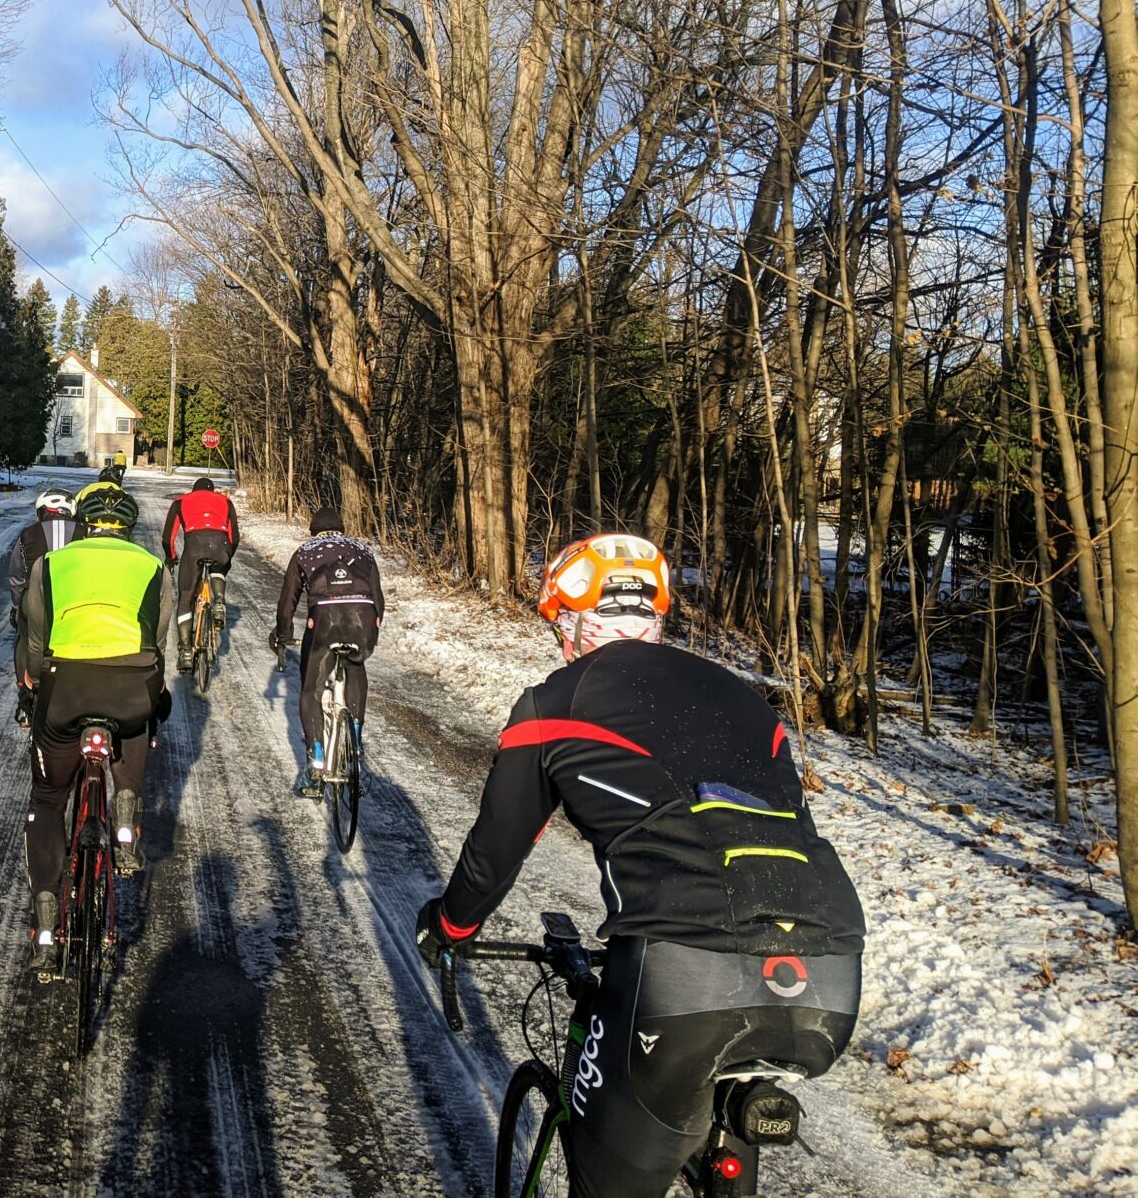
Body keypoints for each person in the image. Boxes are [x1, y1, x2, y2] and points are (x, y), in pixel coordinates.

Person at [413, 532, 866, 1198]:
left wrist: (450, 929)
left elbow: (496, 850)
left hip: (685, 974)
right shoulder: (745, 700)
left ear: (571, 621)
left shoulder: (554, 704)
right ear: (655, 617)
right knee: (716, 1120)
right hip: (831, 974)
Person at [15, 482, 172, 977]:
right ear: (129, 526)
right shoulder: (152, 567)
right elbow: (158, 639)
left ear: (82, 524)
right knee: (136, 722)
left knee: (47, 800)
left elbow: (34, 642)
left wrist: (33, 689)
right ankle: (125, 822)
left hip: (67, 688)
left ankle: (44, 929)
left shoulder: (51, 565)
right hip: (131, 684)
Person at [269, 506, 384, 798]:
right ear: (342, 529)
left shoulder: (306, 551)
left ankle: (316, 762)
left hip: (324, 620)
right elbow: (378, 598)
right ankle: (355, 744)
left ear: (314, 530)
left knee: (312, 689)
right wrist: (372, 631)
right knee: (356, 664)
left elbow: (287, 601)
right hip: (363, 618)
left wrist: (283, 634)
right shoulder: (363, 550)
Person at [161, 475, 241, 671]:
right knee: (218, 570)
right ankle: (219, 600)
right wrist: (226, 560)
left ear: (193, 490)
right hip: (220, 544)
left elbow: (167, 537)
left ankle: (186, 651)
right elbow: (235, 537)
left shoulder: (180, 501)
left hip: (194, 547)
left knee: (186, 596)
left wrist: (171, 556)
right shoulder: (225, 501)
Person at [9, 489, 78, 626]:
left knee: (27, 645)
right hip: (75, 603)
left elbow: (17, 576)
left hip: (34, 603)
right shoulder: (85, 532)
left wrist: (17, 607)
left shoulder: (27, 534)